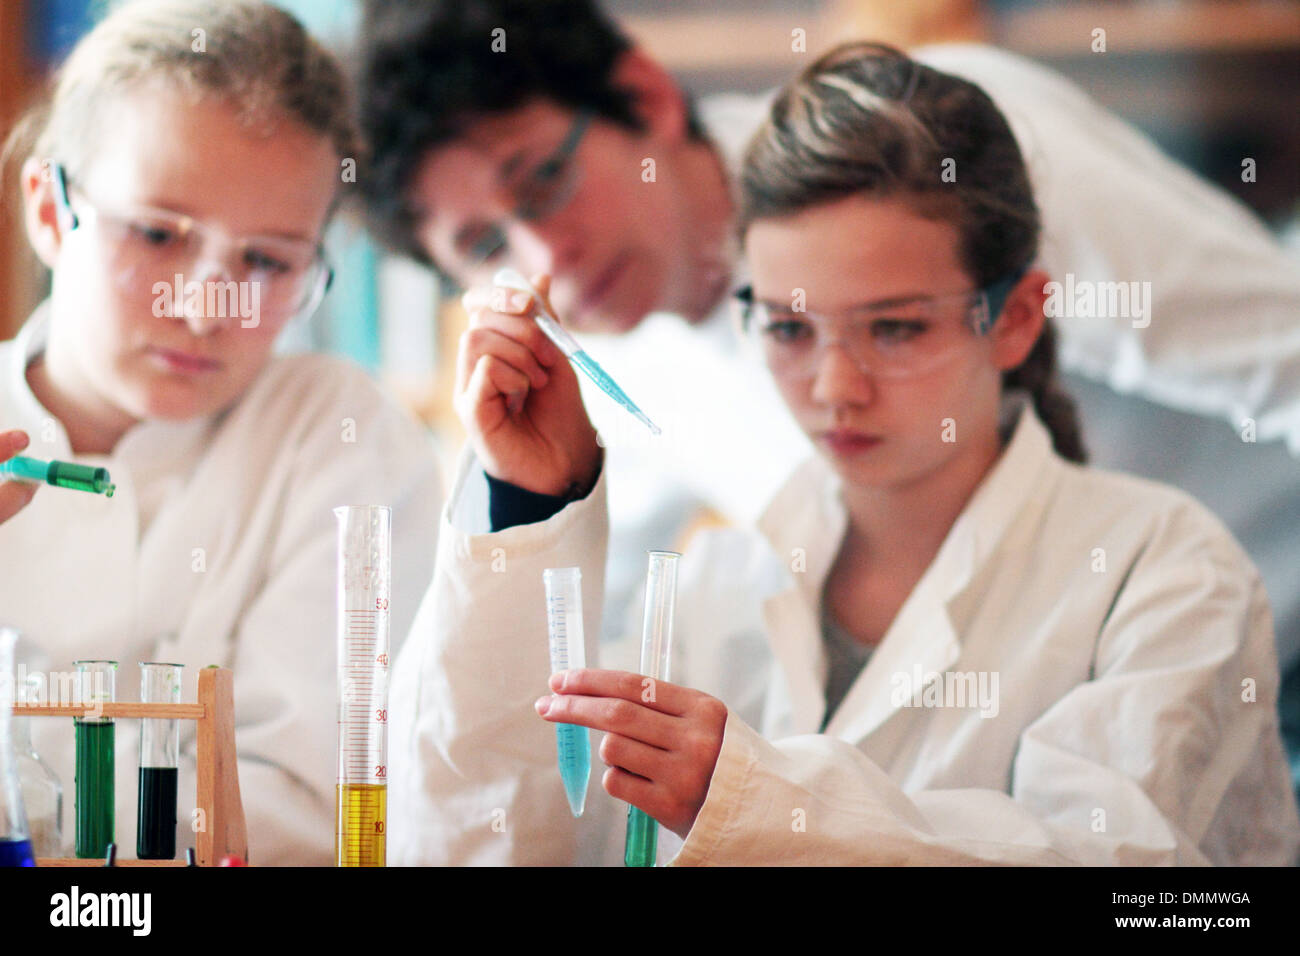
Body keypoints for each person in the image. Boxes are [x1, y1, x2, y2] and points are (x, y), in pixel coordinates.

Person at [390, 42, 1298, 866]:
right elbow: (498, 824)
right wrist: (524, 499)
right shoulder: (717, 584)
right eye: (787, 327)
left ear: (1018, 316)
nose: (834, 388)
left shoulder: (1170, 568)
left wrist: (765, 807)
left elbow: (1148, 887)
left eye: (896, 328)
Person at [0, 0, 443, 864]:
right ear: (52, 212)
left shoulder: (339, 437)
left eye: (268, 261)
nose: (207, 306)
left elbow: (317, 813)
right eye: (158, 234)